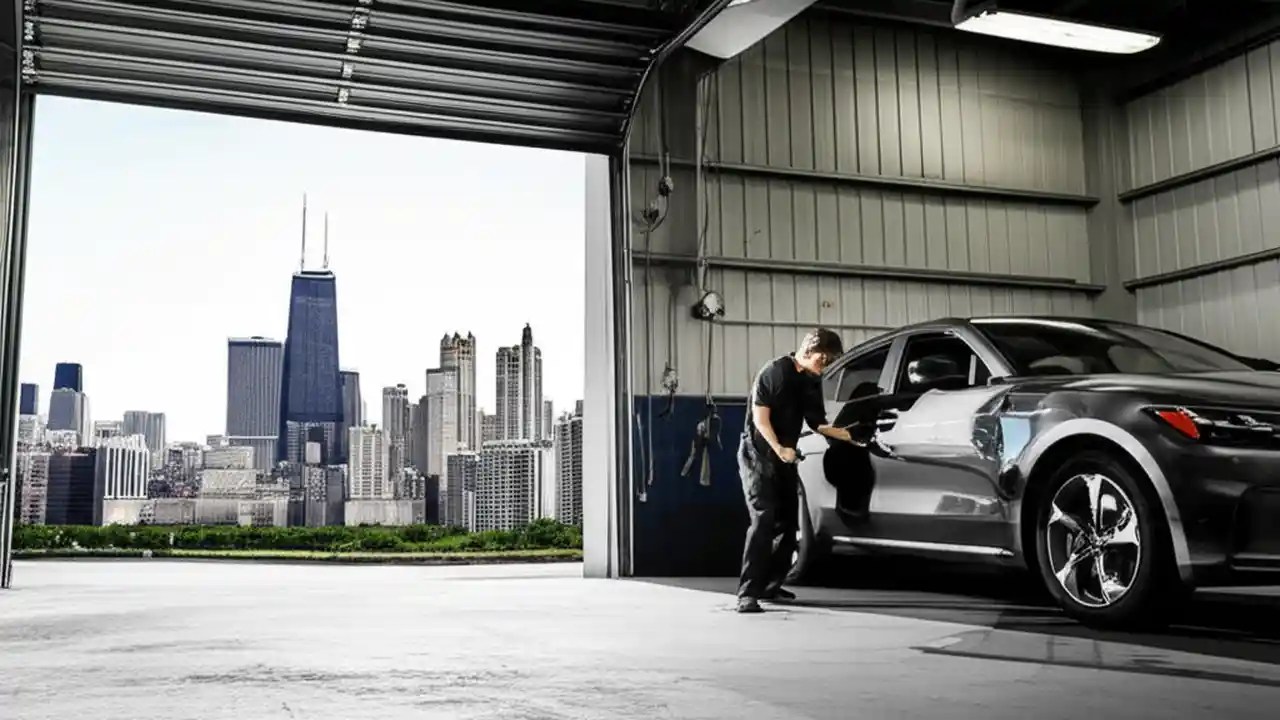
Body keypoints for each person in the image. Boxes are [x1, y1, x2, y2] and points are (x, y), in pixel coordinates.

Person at [736, 328, 855, 614]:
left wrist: (847, 435)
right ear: (811, 351)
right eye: (824, 358)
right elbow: (760, 420)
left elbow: (817, 422)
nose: (825, 364)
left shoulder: (812, 381)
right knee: (763, 521)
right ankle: (748, 593)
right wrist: (779, 450)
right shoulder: (774, 372)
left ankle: (770, 587)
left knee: (788, 523)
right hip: (759, 454)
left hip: (786, 457)